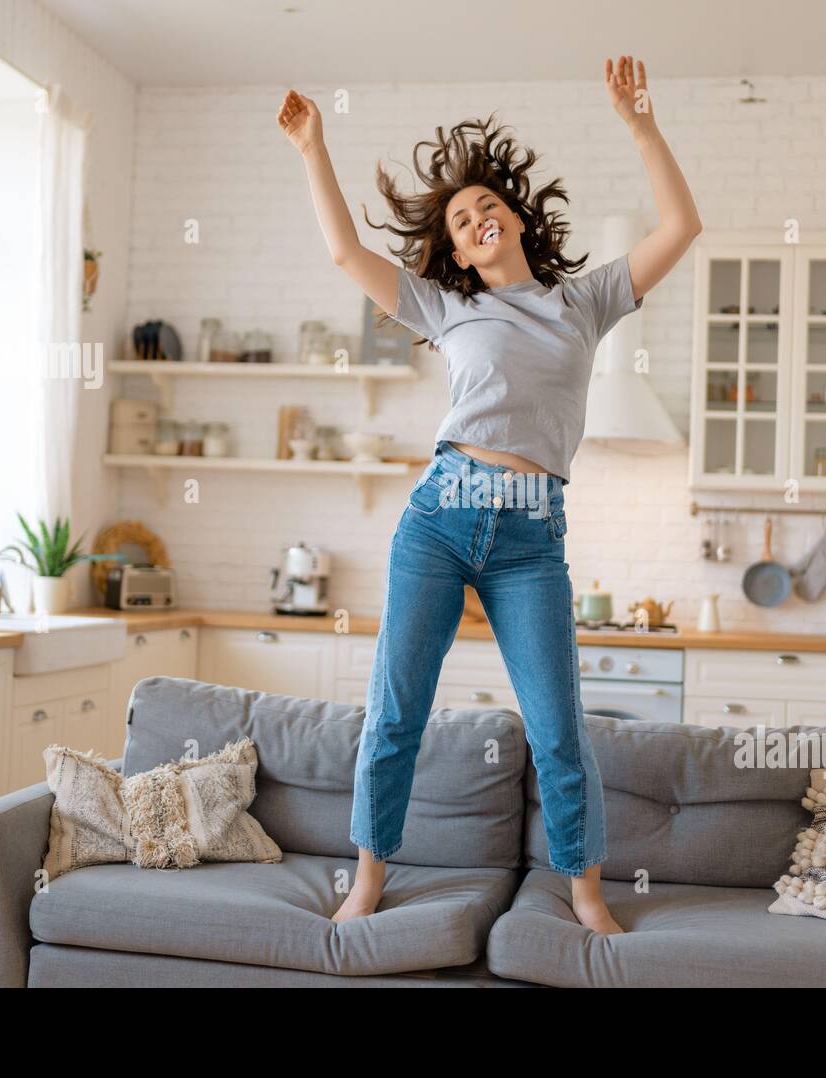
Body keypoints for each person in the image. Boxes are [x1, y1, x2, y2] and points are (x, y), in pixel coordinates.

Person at [278, 56, 701, 935]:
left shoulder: (583, 303)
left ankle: (586, 893)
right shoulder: (443, 309)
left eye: (486, 208)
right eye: (461, 221)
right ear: (457, 246)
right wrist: (316, 149)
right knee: (397, 712)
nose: (475, 221)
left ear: (514, 217)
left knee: (558, 729)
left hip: (530, 540)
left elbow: (683, 225)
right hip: (439, 520)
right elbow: (343, 251)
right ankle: (367, 881)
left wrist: (641, 127)